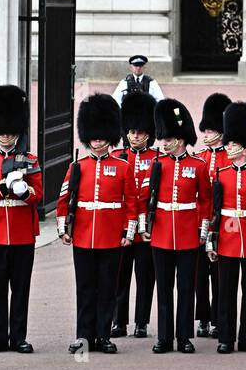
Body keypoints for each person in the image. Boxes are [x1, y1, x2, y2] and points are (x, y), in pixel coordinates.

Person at [57, 94, 137, 356]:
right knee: (85, 289)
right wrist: (63, 229)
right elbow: (64, 199)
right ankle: (83, 336)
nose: (98, 139)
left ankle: (103, 336)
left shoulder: (122, 167)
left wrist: (128, 232)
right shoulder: (77, 166)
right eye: (94, 135)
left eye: (102, 135)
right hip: (83, 235)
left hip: (111, 236)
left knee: (107, 289)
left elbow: (130, 204)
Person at [0, 85, 43, 354]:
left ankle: (18, 337)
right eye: (1, 130)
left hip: (21, 233)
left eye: (9, 130)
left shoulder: (30, 159)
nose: (5, 135)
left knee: (21, 288)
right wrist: (4, 185)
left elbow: (39, 194)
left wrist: (25, 191)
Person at [142, 99, 212, 354]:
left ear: (180, 140)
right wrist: (145, 225)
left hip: (187, 234)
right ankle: (164, 337)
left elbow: (205, 200)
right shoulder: (158, 165)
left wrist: (203, 229)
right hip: (161, 232)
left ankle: (184, 336)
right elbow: (146, 198)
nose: (163, 142)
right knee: (163, 289)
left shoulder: (198, 166)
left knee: (185, 288)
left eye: (168, 138)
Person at [207, 101, 246, 354]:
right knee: (226, 291)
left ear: (245, 149)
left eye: (233, 144)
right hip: (227, 237)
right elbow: (214, 212)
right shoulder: (221, 174)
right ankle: (226, 337)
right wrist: (212, 241)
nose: (228, 147)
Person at [112, 89, 158, 338]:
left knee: (144, 276)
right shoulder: (119, 158)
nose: (134, 136)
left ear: (148, 134)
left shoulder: (157, 159)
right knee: (120, 276)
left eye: (139, 132)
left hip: (147, 229)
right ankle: (119, 321)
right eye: (131, 132)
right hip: (122, 226)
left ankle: (141, 321)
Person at [195, 92, 231, 339]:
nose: (205, 135)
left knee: (220, 275)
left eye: (209, 131)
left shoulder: (230, 158)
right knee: (199, 275)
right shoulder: (200, 158)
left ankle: (219, 318)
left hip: (222, 224)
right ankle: (204, 318)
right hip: (200, 223)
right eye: (204, 131)